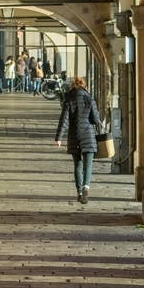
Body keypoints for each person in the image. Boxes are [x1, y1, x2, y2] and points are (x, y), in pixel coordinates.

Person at [54, 76, 101, 204]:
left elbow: (63, 119)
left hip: (74, 135)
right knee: (88, 165)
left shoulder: (69, 99)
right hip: (88, 135)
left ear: (72, 86)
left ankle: (79, 192)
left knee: (77, 165)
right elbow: (96, 120)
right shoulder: (89, 98)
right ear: (84, 85)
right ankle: (86, 186)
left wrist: (58, 138)